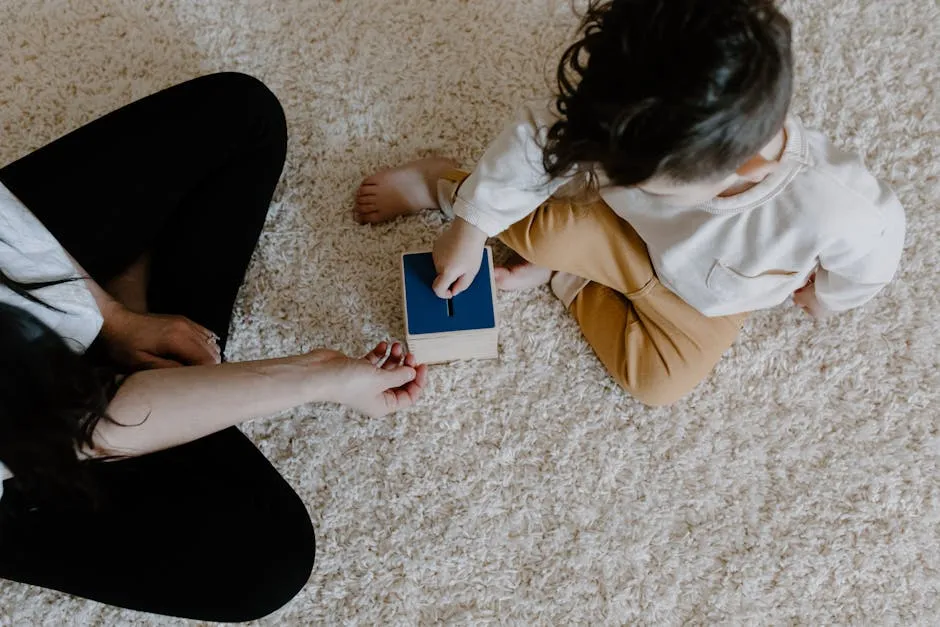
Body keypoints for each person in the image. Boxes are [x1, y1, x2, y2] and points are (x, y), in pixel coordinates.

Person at [0, 72, 428, 622]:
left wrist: (117, 319)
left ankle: (168, 372)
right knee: (263, 561)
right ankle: (172, 386)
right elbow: (92, 425)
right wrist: (319, 375)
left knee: (243, 115)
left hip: (32, 342)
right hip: (36, 437)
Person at [353, 0, 905, 406]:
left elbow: (873, 257)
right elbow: (536, 141)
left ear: (747, 165)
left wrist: (826, 297)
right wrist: (470, 225)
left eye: (634, 180)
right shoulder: (617, 110)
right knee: (537, 224)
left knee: (659, 383)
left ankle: (564, 277)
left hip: (716, 298)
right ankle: (441, 183)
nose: (604, 175)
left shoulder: (836, 208)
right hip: (626, 239)